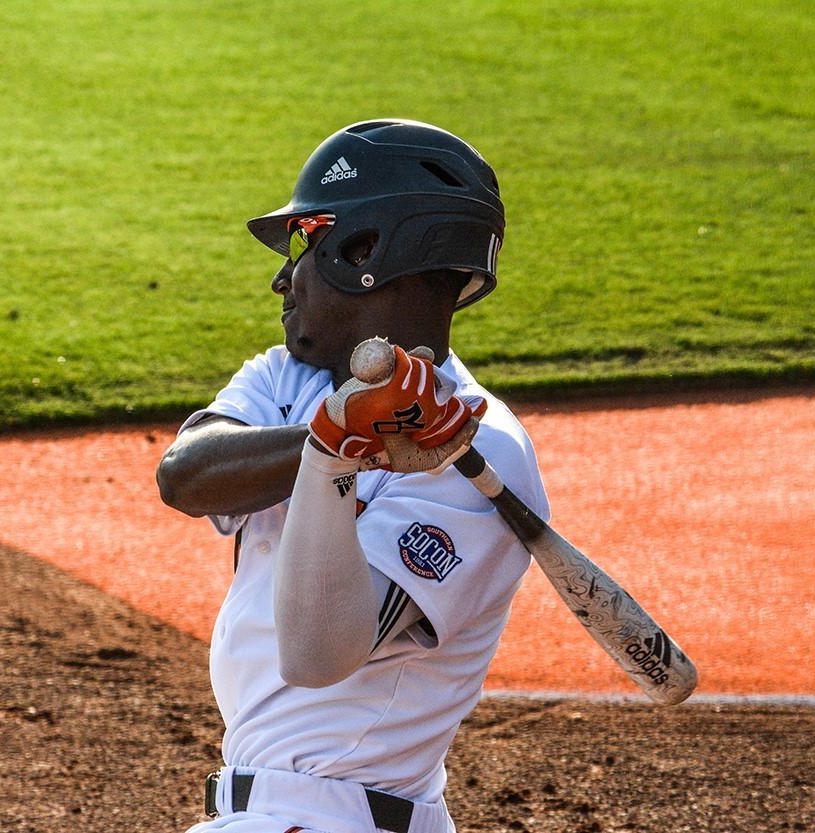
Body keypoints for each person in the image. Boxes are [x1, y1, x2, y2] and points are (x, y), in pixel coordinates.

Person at [157, 119, 549, 833]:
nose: (283, 276)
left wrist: (341, 448)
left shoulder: (477, 447)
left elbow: (319, 653)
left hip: (336, 815)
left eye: (305, 240)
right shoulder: (289, 377)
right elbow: (184, 475)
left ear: (365, 251)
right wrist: (339, 429)